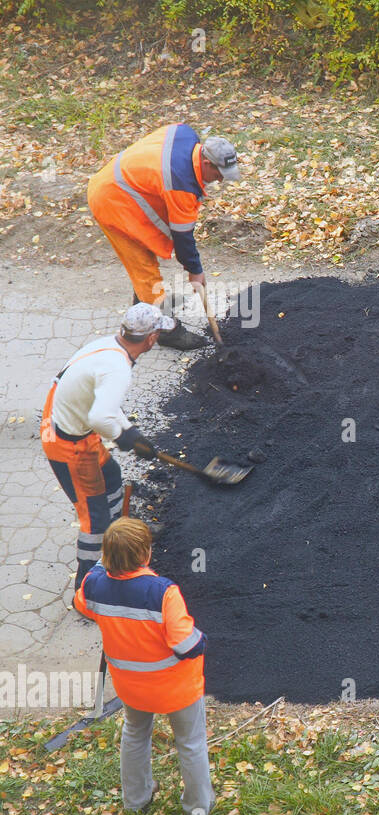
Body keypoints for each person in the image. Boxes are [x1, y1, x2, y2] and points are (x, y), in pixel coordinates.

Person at [74, 517, 214, 815]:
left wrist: (99, 565)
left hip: (131, 688)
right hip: (176, 689)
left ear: (107, 554)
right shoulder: (163, 593)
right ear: (146, 555)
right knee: (190, 743)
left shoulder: (94, 587)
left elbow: (81, 603)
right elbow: (186, 645)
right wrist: (203, 638)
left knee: (135, 734)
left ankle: (136, 801)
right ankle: (197, 810)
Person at [41, 303, 168, 590]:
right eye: (158, 334)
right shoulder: (118, 368)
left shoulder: (108, 346)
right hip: (68, 444)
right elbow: (100, 416)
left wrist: (130, 432)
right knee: (94, 521)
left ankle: (123, 540)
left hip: (73, 423)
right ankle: (86, 591)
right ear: (150, 339)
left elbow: (101, 407)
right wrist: (125, 439)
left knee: (111, 477)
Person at [87, 123, 242, 350]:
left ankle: (142, 309)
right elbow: (183, 239)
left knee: (146, 269)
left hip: (127, 186)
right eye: (218, 174)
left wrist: (194, 270)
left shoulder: (186, 134)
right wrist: (195, 271)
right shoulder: (181, 184)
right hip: (112, 201)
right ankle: (167, 331)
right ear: (207, 162)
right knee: (145, 271)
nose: (219, 181)